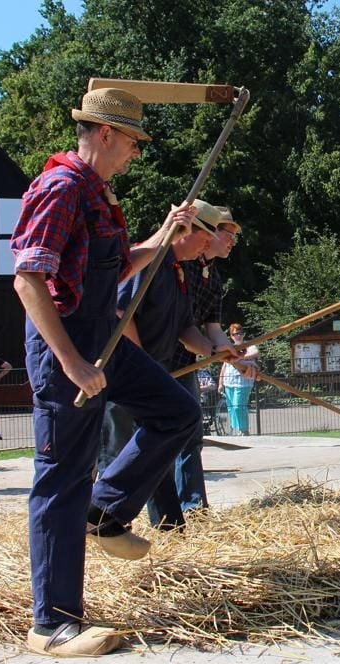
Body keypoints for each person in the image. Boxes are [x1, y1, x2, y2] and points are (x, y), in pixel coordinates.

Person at [11, 87, 201, 657]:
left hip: (107, 342)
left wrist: (164, 237)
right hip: (67, 352)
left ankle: (107, 508)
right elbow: (28, 279)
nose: (136, 154)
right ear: (106, 134)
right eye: (133, 143)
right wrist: (69, 361)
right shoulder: (61, 188)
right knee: (62, 479)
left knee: (179, 411)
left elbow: (120, 265)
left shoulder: (96, 193)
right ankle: (52, 625)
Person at [97, 207, 229, 531]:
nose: (206, 246)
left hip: (151, 371)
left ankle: (170, 528)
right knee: (118, 448)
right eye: (205, 237)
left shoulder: (179, 271)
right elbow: (120, 313)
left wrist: (218, 351)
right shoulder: (149, 261)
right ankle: (102, 522)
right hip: (124, 374)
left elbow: (187, 331)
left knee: (157, 450)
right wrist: (142, 368)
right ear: (187, 230)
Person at [170, 204, 248, 510]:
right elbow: (179, 326)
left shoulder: (213, 276)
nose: (231, 242)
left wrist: (236, 361)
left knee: (191, 434)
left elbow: (213, 329)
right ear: (211, 232)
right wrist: (216, 353)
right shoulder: (182, 265)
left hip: (189, 363)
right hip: (162, 361)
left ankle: (193, 507)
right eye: (229, 234)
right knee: (157, 435)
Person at [218, 322, 258, 435]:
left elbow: (256, 353)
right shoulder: (229, 348)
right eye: (236, 334)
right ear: (231, 336)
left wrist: (240, 357)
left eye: (240, 333)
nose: (238, 335)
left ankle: (244, 430)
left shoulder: (249, 345)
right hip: (228, 381)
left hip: (243, 382)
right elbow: (224, 365)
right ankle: (236, 429)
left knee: (238, 406)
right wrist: (220, 383)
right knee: (231, 407)